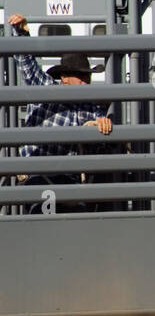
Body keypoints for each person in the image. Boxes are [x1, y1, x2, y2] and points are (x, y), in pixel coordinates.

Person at [6, 13, 113, 211]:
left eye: (87, 76)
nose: (84, 80)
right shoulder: (45, 88)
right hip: (37, 172)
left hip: (68, 177)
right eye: (79, 75)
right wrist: (22, 34)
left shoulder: (90, 106)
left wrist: (102, 125)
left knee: (78, 212)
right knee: (41, 209)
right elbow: (27, 64)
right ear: (64, 77)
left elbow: (102, 131)